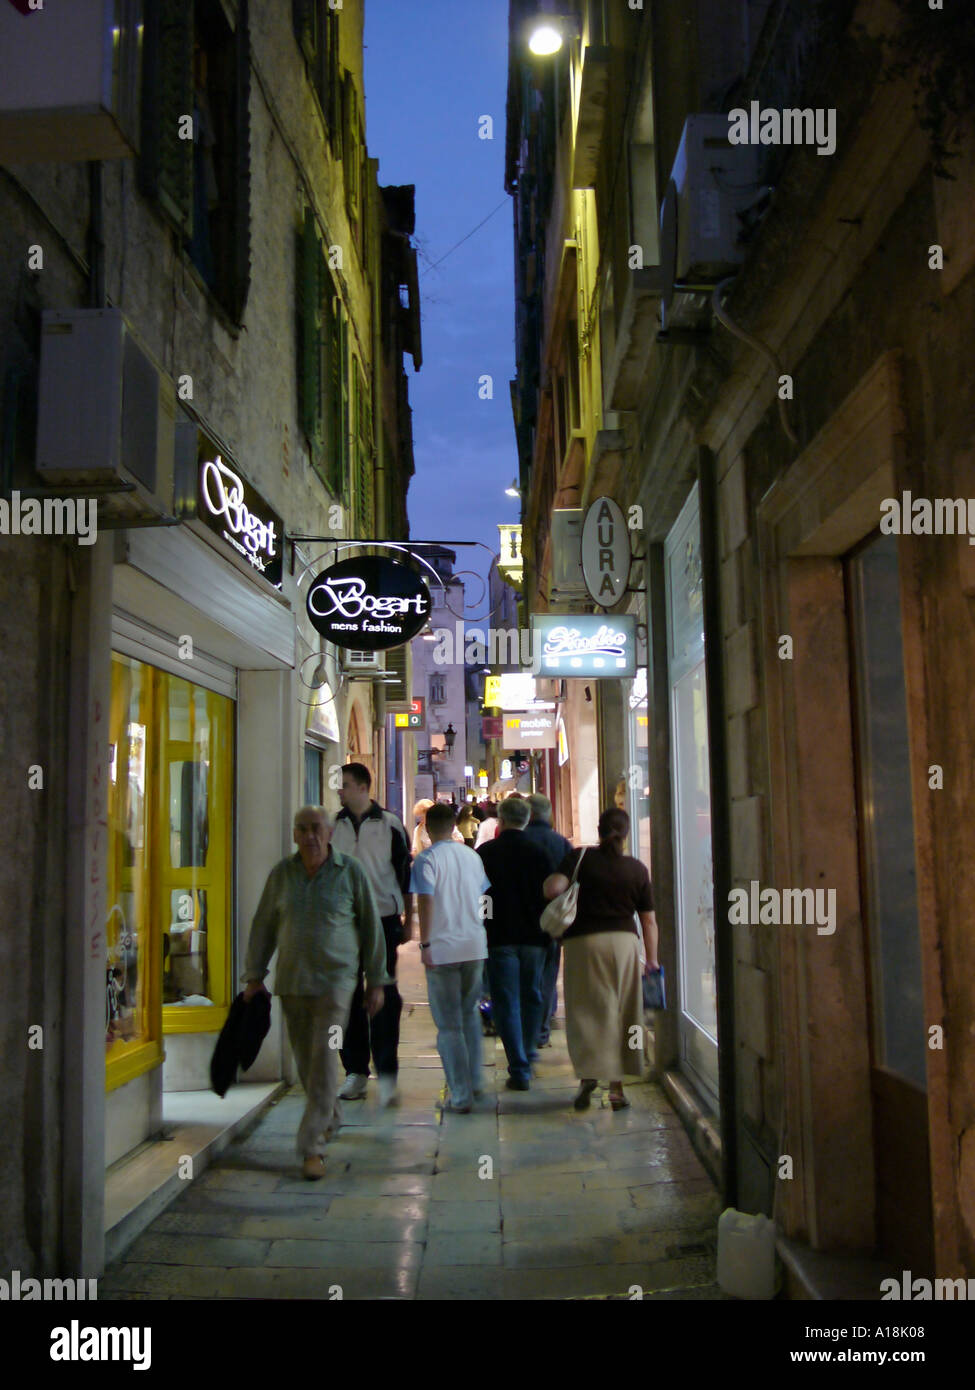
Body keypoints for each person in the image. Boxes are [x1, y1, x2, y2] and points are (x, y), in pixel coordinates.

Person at [241, 807, 390, 1179]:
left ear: (328, 833)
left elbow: (371, 925)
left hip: (336, 983)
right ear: (295, 835)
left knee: (324, 1057)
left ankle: (311, 1147)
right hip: (292, 984)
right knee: (308, 1064)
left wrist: (377, 979)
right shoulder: (283, 874)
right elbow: (263, 925)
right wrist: (254, 976)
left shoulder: (350, 872)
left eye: (316, 829)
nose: (310, 836)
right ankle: (331, 1117)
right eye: (303, 830)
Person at [543, 807, 659, 1112]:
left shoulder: (580, 858)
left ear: (599, 829)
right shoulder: (637, 869)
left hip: (584, 945)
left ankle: (588, 1078)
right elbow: (648, 921)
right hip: (624, 944)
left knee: (588, 1011)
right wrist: (652, 960)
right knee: (623, 1013)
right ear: (627, 833)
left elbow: (554, 888)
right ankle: (617, 1091)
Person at [331, 763, 412, 1108]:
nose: (340, 790)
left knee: (385, 994)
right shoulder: (334, 825)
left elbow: (405, 874)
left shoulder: (390, 825)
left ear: (364, 787)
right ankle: (355, 1071)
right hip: (344, 921)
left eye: (345, 784)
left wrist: (409, 920)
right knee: (348, 995)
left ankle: (387, 1070)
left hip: (382, 918)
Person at [410, 802, 490, 1113]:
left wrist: (426, 944)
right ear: (454, 826)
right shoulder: (472, 856)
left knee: (448, 1025)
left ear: (427, 827)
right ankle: (477, 1080)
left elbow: (425, 902)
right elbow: (483, 898)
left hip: (443, 950)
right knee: (469, 1014)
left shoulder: (426, 860)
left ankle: (460, 1095)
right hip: (474, 945)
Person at [477, 795, 552, 1090]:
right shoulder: (540, 851)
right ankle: (529, 1051)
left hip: (499, 936)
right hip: (534, 935)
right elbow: (548, 893)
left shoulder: (486, 852)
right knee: (532, 994)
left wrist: (486, 922)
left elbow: (481, 897)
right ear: (527, 819)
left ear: (502, 821)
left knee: (506, 1001)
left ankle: (518, 1067)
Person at [523, 793, 573, 1048]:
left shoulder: (519, 840)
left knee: (523, 977)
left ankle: (526, 1029)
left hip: (518, 922)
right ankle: (542, 1028)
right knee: (547, 975)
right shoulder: (562, 843)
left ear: (528, 814)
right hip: (552, 921)